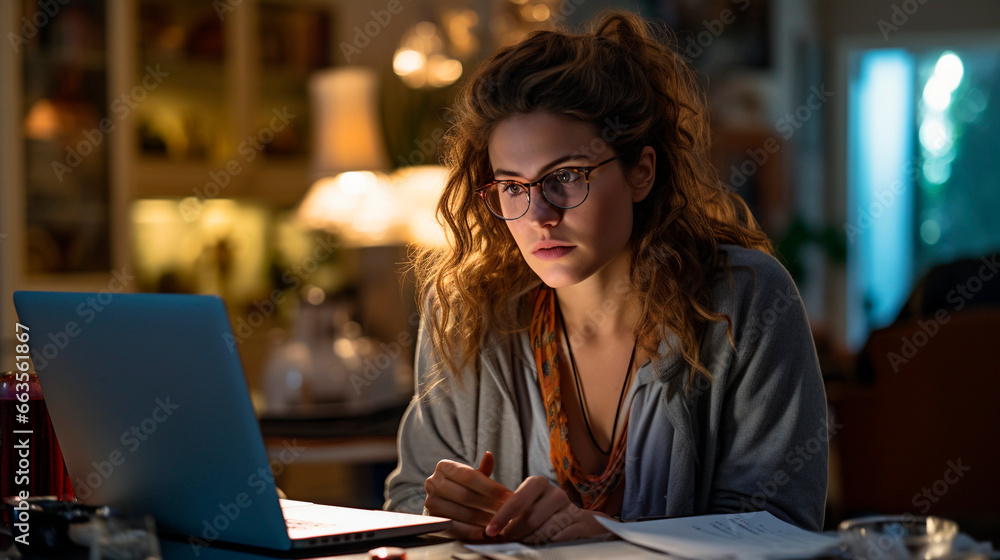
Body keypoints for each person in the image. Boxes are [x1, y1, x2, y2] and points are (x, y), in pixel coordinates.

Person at [383, 9, 828, 543]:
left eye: (566, 176)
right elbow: (405, 504)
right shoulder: (468, 309)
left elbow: (782, 529)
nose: (540, 215)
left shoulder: (744, 299)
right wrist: (442, 520)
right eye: (513, 186)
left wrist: (606, 535)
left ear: (641, 171)